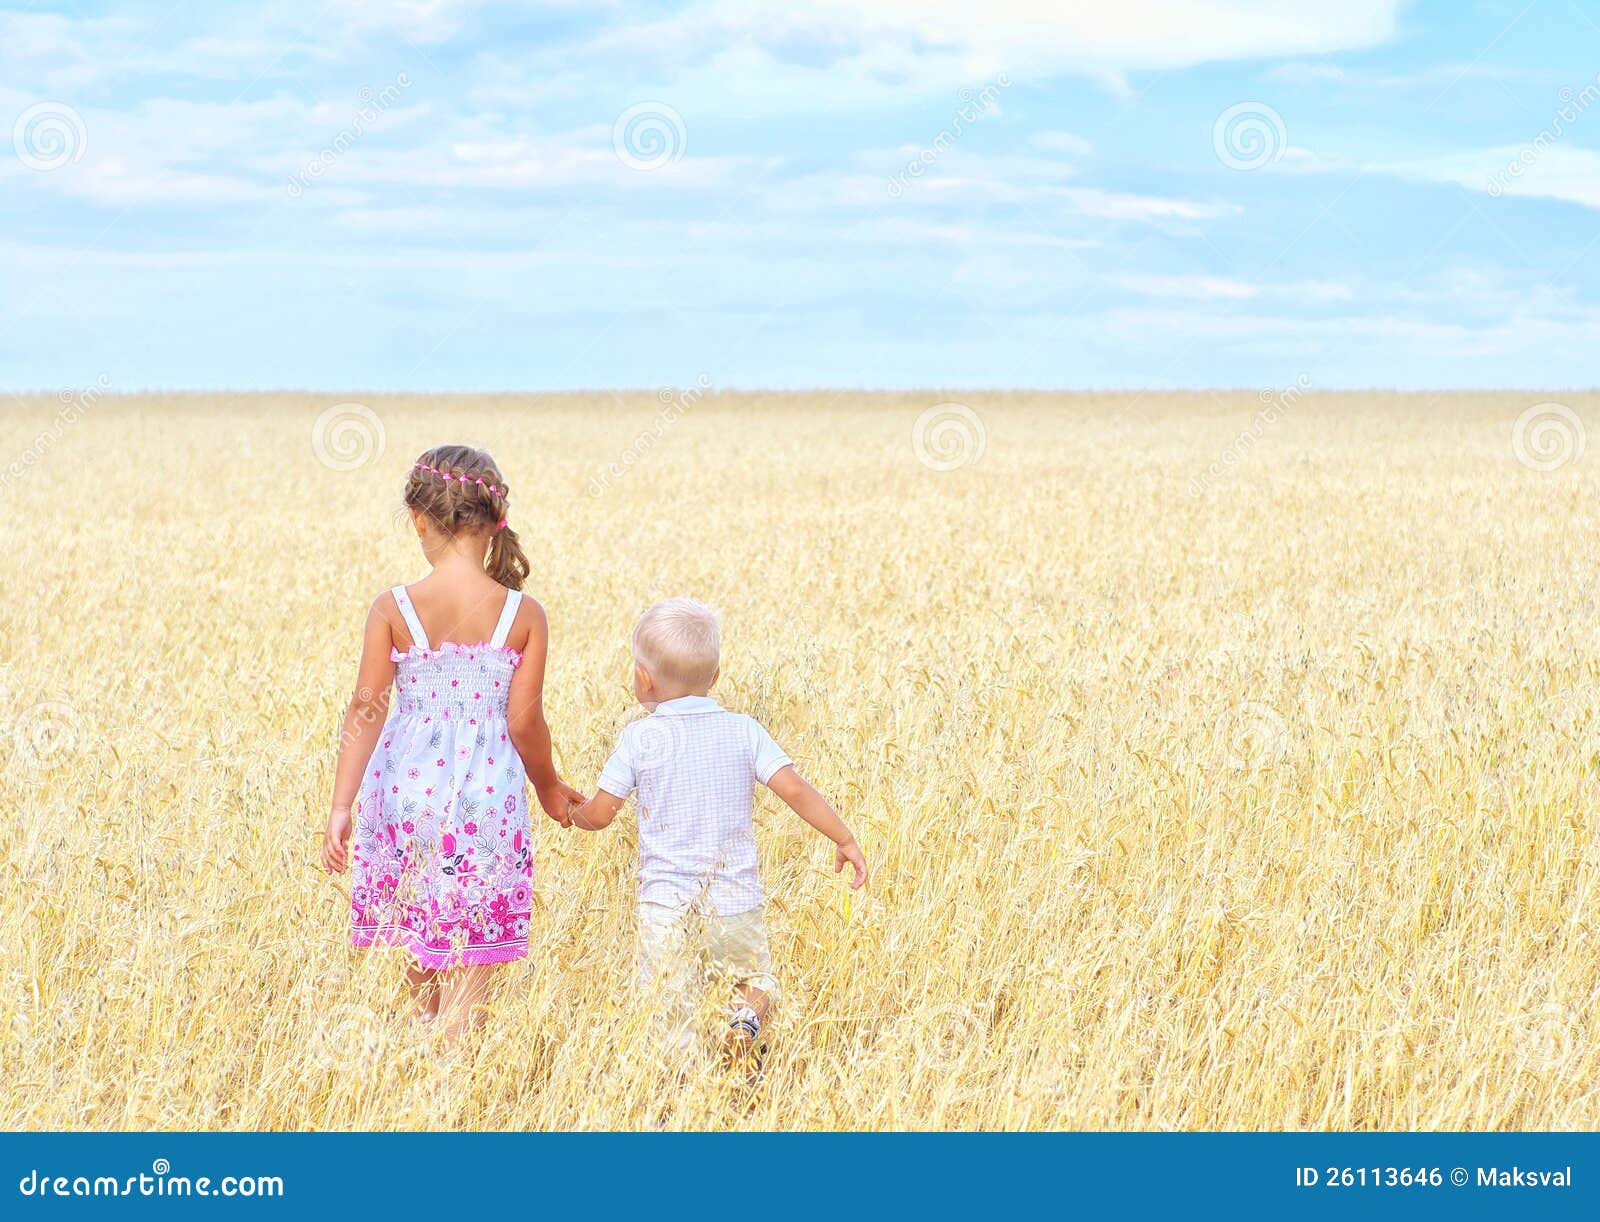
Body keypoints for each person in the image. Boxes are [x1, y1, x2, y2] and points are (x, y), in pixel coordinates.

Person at [321, 444, 582, 1039]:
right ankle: (454, 1078)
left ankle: (421, 1046)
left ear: (419, 520)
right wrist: (547, 786)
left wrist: (342, 805)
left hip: (405, 798)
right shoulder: (524, 614)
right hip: (484, 805)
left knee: (420, 948)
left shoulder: (393, 607)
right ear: (494, 521)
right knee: (471, 955)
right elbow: (523, 722)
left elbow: (366, 708)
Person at [567, 598, 868, 1064]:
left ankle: (680, 1095)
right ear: (715, 677)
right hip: (735, 901)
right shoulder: (744, 730)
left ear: (642, 679)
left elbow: (602, 814)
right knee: (756, 980)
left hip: (665, 908)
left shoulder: (640, 737)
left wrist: (571, 811)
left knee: (670, 1012)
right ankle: (744, 1020)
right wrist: (843, 837)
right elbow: (795, 789)